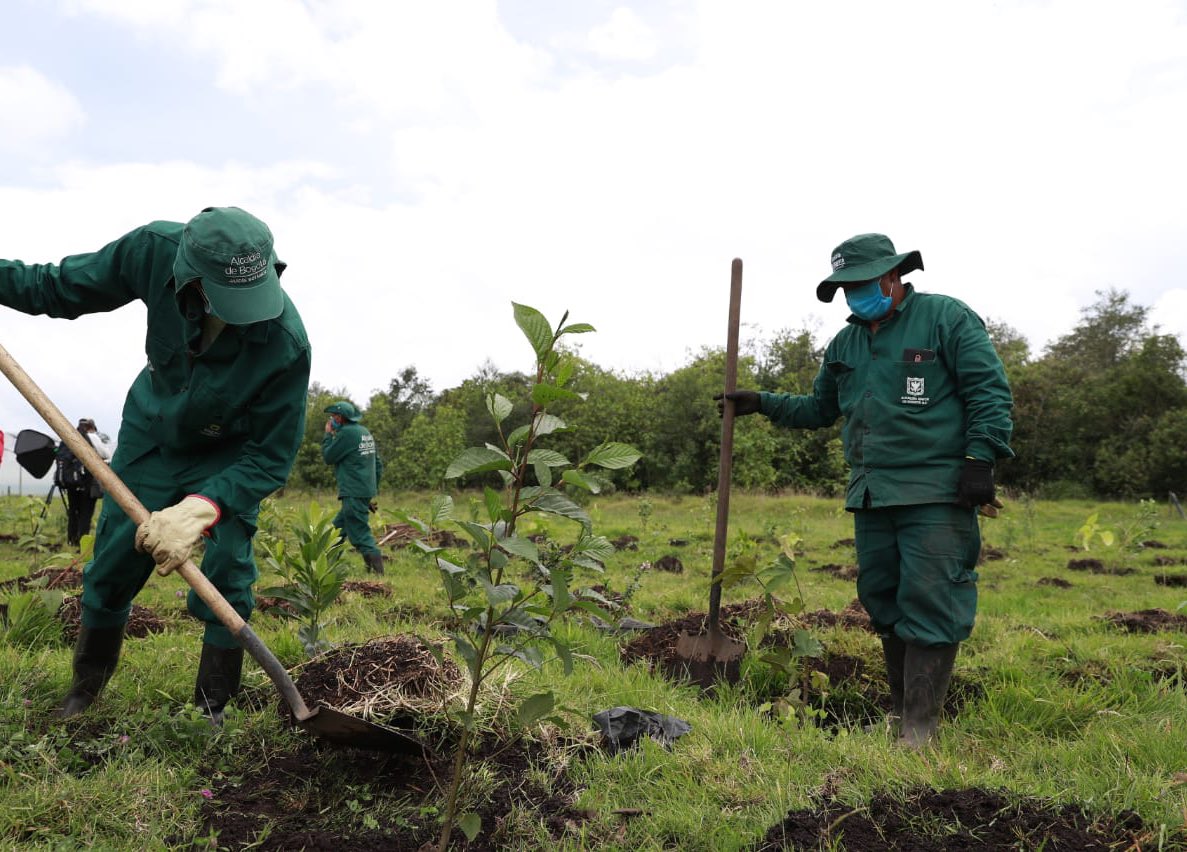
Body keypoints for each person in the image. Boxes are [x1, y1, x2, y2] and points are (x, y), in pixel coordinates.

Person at [0, 206, 311, 724]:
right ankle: (85, 689)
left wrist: (203, 508)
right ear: (189, 280)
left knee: (229, 570)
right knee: (113, 564)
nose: (245, 314)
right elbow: (57, 287)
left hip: (228, 455)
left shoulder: (284, 343)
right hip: (153, 436)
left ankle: (212, 706)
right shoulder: (152, 251)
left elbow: (271, 456)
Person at [720, 233, 1013, 747]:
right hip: (872, 493)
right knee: (883, 599)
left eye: (860, 283)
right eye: (845, 287)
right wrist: (759, 401)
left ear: (892, 275)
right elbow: (819, 409)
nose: (853, 294)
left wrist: (979, 460)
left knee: (932, 598)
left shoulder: (945, 318)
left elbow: (988, 390)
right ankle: (901, 714)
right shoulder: (845, 344)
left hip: (936, 491)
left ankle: (921, 728)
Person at [321, 400, 385, 574]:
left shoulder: (347, 434)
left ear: (341, 418)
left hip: (353, 491)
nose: (331, 420)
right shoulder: (364, 432)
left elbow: (328, 457)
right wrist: (370, 494)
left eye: (333, 416)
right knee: (337, 530)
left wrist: (328, 435)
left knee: (359, 532)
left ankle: (378, 572)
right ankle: (324, 568)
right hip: (363, 490)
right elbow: (377, 464)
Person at [54, 418, 109, 548]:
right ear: (92, 427)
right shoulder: (92, 437)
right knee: (86, 513)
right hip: (87, 483)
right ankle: (81, 542)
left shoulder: (69, 437)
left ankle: (71, 540)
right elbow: (106, 454)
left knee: (73, 511)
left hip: (71, 483)